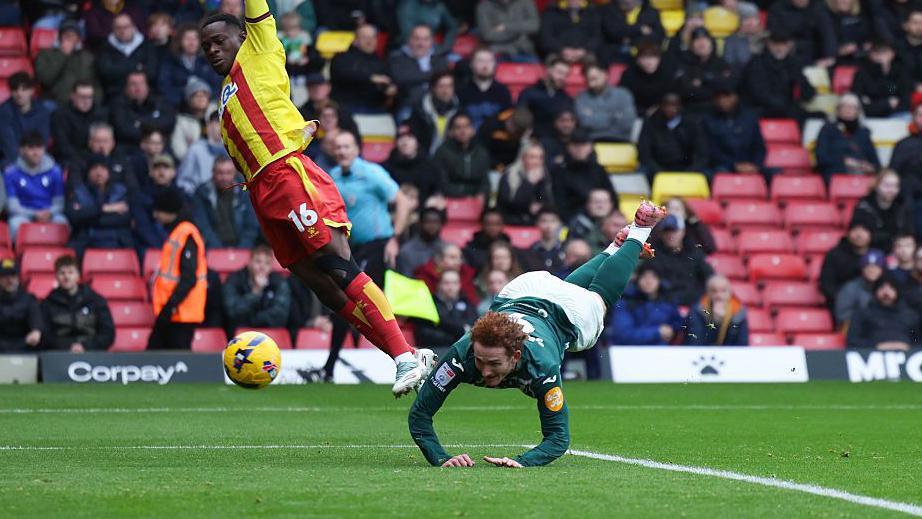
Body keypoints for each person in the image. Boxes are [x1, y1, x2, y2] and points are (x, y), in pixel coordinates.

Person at [200, 3, 435, 396]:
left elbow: (256, 8)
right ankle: (409, 354)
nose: (211, 50)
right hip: (261, 191)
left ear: (243, 37)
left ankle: (403, 358)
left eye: (218, 41)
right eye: (205, 45)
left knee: (339, 266)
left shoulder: (259, 52)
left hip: (288, 175)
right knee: (322, 287)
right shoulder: (225, 96)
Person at [407, 201, 665, 468]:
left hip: (552, 305)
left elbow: (558, 438)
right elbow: (419, 416)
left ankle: (638, 232)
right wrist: (441, 458)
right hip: (523, 290)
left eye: (494, 363)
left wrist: (523, 461)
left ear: (517, 354)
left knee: (596, 302)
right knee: (564, 292)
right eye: (481, 360)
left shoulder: (541, 367)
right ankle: (614, 249)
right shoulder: (462, 354)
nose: (484, 371)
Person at [148, 190, 206, 350]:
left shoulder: (185, 233)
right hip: (173, 312)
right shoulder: (178, 232)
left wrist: (170, 307)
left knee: (177, 362)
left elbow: (189, 278)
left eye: (158, 210)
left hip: (180, 313)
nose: (155, 215)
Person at [40, 254, 115, 352]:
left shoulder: (96, 301)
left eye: (70, 272)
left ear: (78, 275)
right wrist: (69, 347)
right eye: (62, 273)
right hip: (60, 355)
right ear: (56, 276)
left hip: (93, 353)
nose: (66, 277)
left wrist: (85, 347)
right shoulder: (47, 304)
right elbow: (45, 336)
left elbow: (108, 333)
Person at [741, 29, 816, 121]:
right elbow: (760, 95)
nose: (780, 48)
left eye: (784, 44)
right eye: (776, 44)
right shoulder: (757, 63)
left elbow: (809, 93)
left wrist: (800, 82)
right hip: (762, 110)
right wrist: (786, 106)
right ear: (768, 44)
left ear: (790, 45)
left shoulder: (793, 64)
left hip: (787, 110)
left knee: (818, 117)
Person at [4, 133, 67, 241]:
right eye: (31, 148)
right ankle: (19, 257)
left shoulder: (55, 171)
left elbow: (59, 203)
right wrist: (34, 214)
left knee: (62, 223)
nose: (36, 153)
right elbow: (12, 206)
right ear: (21, 150)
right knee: (14, 224)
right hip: (23, 215)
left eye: (39, 148)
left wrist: (49, 213)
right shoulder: (11, 173)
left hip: (50, 214)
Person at [66, 158, 134, 256]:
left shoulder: (121, 191)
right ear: (88, 172)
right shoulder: (78, 192)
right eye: (94, 169)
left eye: (103, 168)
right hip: (86, 242)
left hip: (118, 241)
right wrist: (106, 208)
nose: (99, 173)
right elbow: (74, 217)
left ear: (109, 172)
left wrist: (90, 217)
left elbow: (124, 218)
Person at [191, 156, 260, 249]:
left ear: (234, 173)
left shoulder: (244, 193)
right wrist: (220, 251)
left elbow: (251, 226)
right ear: (213, 173)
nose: (224, 177)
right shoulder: (202, 193)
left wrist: (241, 250)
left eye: (228, 173)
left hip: (242, 248)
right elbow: (203, 227)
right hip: (212, 248)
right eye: (220, 173)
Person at [637, 93, 709, 179]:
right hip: (658, 168)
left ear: (680, 106)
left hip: (686, 168)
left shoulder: (692, 124)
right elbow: (644, 155)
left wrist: (689, 172)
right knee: (642, 172)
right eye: (667, 105)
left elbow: (703, 155)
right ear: (661, 106)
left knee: (707, 174)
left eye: (674, 105)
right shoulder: (650, 124)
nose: (670, 109)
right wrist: (659, 172)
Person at [608, 263, 682, 345]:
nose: (648, 281)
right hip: (630, 352)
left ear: (660, 280)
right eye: (644, 277)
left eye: (654, 277)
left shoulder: (668, 301)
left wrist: (671, 332)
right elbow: (623, 335)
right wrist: (657, 332)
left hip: (662, 353)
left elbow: (678, 327)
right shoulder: (625, 302)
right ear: (637, 280)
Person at [550, 128, 616, 220]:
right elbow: (560, 202)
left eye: (583, 144)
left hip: (602, 218)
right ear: (568, 147)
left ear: (590, 147)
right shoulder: (560, 171)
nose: (580, 149)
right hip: (572, 219)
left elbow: (613, 198)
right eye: (576, 145)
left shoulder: (599, 170)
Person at [702, 84, 766, 177]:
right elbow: (712, 151)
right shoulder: (708, 121)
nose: (722, 100)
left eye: (726, 96)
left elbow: (759, 147)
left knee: (776, 173)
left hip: (751, 165)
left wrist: (755, 165)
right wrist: (734, 165)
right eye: (718, 97)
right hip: (724, 166)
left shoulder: (749, 118)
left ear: (735, 97)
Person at [330, 24, 396, 114]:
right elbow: (344, 73)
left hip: (375, 109)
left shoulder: (381, 62)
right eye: (365, 37)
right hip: (347, 107)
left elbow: (389, 81)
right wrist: (371, 78)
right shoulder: (342, 57)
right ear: (355, 40)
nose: (370, 41)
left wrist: (390, 90)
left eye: (373, 37)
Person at [387, 24, 451, 116]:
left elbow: (444, 78)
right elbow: (401, 78)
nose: (421, 44)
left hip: (438, 107)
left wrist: (418, 77)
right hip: (410, 107)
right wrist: (433, 76)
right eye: (417, 39)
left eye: (425, 39)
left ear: (431, 41)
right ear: (410, 40)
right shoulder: (397, 58)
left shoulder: (440, 59)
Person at [223, 244, 292, 328]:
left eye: (267, 263)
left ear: (271, 267)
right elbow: (233, 312)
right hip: (242, 333)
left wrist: (252, 320)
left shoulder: (279, 282)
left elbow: (280, 316)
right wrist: (256, 292)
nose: (262, 267)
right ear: (249, 263)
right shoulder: (235, 280)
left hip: (269, 332)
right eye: (258, 261)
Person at [651, 214, 714, 305]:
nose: (670, 235)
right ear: (661, 234)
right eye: (666, 231)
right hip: (665, 304)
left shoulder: (695, 252)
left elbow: (709, 276)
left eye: (674, 231)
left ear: (683, 232)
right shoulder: (653, 254)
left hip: (694, 304)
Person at [34, 20, 101, 107]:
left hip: (82, 102)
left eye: (73, 35)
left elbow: (96, 85)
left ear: (78, 38)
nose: (70, 39)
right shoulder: (45, 54)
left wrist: (95, 101)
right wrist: (63, 55)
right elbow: (45, 80)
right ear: (60, 38)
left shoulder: (88, 57)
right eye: (66, 35)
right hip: (55, 102)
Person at [815, 94, 879, 180]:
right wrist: (844, 162)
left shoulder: (864, 133)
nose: (849, 110)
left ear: (858, 111)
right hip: (835, 173)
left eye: (853, 107)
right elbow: (822, 157)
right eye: (845, 106)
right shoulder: (827, 129)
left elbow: (875, 162)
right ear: (838, 109)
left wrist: (869, 167)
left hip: (862, 175)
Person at [157, 23, 222, 108]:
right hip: (179, 108)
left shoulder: (209, 60)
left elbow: (218, 84)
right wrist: (187, 98)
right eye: (187, 38)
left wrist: (204, 97)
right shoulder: (170, 61)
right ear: (180, 41)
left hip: (209, 105)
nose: (191, 42)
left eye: (195, 38)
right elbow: (164, 87)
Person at [846, 275, 920, 349]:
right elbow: (852, 341)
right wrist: (876, 346)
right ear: (875, 292)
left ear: (897, 291)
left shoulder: (911, 315)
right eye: (882, 288)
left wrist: (908, 347)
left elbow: (918, 341)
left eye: (891, 288)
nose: (886, 293)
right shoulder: (862, 314)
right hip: (871, 356)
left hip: (909, 357)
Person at [96, 13, 158, 98]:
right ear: (113, 29)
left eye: (126, 27)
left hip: (145, 95)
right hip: (115, 94)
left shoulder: (146, 46)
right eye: (118, 28)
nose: (122, 31)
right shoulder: (105, 47)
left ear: (133, 27)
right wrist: (137, 67)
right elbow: (106, 72)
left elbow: (151, 72)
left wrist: (119, 68)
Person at [851, 169, 915, 252]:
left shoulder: (902, 206)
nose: (891, 190)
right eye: (887, 186)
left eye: (895, 186)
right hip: (869, 251)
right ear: (877, 186)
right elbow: (859, 235)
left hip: (897, 252)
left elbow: (908, 232)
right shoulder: (864, 206)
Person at [110, 71, 177, 149]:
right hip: (130, 148)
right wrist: (152, 127)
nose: (138, 88)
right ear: (126, 88)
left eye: (141, 83)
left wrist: (140, 124)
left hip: (161, 147)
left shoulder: (159, 102)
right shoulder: (118, 105)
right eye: (133, 84)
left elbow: (169, 122)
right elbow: (123, 130)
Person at [675, 28, 735, 113]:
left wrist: (703, 79)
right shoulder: (684, 63)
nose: (702, 43)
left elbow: (727, 87)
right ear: (691, 45)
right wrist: (714, 83)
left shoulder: (721, 63)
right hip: (691, 109)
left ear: (711, 43)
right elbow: (687, 91)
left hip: (717, 110)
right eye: (697, 40)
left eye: (705, 40)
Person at [432, 113, 491, 199]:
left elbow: (484, 182)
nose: (462, 131)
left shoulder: (481, 153)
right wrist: (463, 197)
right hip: (449, 198)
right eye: (458, 127)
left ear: (473, 130)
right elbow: (441, 183)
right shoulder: (442, 152)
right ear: (451, 132)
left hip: (475, 200)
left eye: (466, 127)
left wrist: (481, 195)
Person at [414, 270, 479, 349]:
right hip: (434, 350)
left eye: (454, 283)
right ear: (439, 284)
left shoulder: (468, 303)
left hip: (460, 352)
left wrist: (441, 324)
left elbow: (473, 329)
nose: (450, 287)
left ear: (459, 285)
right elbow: (424, 333)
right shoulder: (429, 304)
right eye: (446, 283)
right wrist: (458, 331)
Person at [574, 61, 636, 143]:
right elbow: (584, 123)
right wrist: (613, 116)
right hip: (591, 144)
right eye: (587, 81)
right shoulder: (581, 97)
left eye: (594, 79)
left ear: (605, 75)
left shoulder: (623, 94)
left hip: (621, 142)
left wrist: (594, 116)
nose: (591, 84)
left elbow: (627, 124)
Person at [0, 73, 52, 167]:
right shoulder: (3, 112)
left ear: (32, 91)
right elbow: (9, 146)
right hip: (10, 160)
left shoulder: (42, 111)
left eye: (24, 89)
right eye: (15, 90)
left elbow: (42, 140)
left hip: (36, 158)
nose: (19, 94)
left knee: (50, 166)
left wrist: (33, 158)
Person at [50, 81, 108, 165]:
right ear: (72, 96)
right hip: (70, 159)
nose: (86, 101)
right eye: (82, 97)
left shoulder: (100, 114)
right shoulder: (60, 115)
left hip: (96, 159)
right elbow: (63, 146)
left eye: (89, 97)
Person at [819, 215, 874, 304]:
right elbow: (827, 284)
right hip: (841, 303)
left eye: (864, 230)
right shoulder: (834, 255)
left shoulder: (877, 255)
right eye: (855, 230)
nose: (859, 235)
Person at [496, 142, 553, 226]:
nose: (536, 161)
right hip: (511, 219)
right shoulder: (510, 174)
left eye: (540, 158)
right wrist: (529, 184)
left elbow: (544, 199)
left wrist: (540, 205)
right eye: (532, 157)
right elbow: (508, 201)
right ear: (523, 158)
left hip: (534, 221)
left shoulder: (544, 175)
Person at [851, 39, 911, 118]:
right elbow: (858, 99)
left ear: (892, 53)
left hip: (895, 113)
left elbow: (902, 97)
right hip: (869, 114)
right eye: (876, 52)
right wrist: (886, 103)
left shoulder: (899, 72)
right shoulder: (862, 73)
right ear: (870, 54)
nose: (880, 56)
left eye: (884, 52)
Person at [517, 55, 573, 138]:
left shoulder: (565, 97)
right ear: (549, 70)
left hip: (558, 141)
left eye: (566, 75)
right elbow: (520, 118)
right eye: (560, 72)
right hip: (534, 140)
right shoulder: (529, 93)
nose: (562, 77)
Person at [685, 274, 749, 346]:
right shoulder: (698, 311)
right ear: (708, 293)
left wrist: (725, 322)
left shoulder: (739, 312)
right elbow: (695, 342)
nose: (719, 295)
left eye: (723, 291)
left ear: (730, 292)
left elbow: (742, 345)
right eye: (714, 291)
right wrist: (714, 323)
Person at [766, 0, 835, 66]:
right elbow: (773, 33)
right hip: (785, 54)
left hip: (813, 56)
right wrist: (785, 44)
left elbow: (827, 34)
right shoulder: (778, 9)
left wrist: (830, 56)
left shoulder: (818, 7)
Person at [457, 48, 512, 130]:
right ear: (471, 64)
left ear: (495, 64)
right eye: (480, 61)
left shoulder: (503, 91)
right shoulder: (462, 91)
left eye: (489, 61)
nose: (485, 65)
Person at [406, 72, 460, 155]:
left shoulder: (459, 111)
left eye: (449, 86)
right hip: (426, 158)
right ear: (433, 88)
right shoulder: (420, 112)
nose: (446, 91)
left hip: (453, 157)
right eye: (441, 86)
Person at [620, 40, 679, 115]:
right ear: (637, 60)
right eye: (644, 57)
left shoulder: (667, 73)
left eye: (653, 57)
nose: (649, 62)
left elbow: (674, 97)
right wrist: (644, 111)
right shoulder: (628, 75)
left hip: (664, 114)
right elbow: (624, 101)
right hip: (636, 115)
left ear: (659, 59)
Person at [599, 0, 664, 65]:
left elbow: (656, 36)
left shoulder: (650, 12)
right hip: (615, 52)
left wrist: (629, 39)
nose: (628, 1)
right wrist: (639, 29)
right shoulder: (608, 10)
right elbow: (612, 32)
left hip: (642, 52)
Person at [177, 110, 226, 195]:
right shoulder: (196, 149)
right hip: (201, 200)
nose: (222, 127)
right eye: (218, 123)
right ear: (209, 126)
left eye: (225, 124)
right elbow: (183, 181)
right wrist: (196, 197)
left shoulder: (233, 151)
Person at [0, 258, 43, 353]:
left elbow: (36, 322)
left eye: (13, 275)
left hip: (24, 346)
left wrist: (36, 331)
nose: (9, 280)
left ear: (19, 278)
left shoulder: (29, 299)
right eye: (5, 276)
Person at [835, 249, 885, 326]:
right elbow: (843, 316)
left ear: (881, 270)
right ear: (862, 269)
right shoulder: (850, 288)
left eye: (876, 267)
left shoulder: (887, 287)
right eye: (868, 267)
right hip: (857, 329)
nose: (872, 270)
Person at [476, 0, 540, 59]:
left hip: (524, 48)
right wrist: (520, 30)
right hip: (497, 50)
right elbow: (487, 35)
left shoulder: (526, 1)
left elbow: (535, 25)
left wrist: (506, 26)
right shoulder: (484, 6)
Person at [398, 207, 446, 277]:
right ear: (420, 224)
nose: (432, 226)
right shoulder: (407, 250)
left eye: (436, 222)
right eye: (428, 222)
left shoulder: (447, 248)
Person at [568, 188, 616, 253]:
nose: (600, 206)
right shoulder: (577, 225)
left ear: (611, 205)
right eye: (596, 202)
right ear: (588, 204)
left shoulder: (620, 223)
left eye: (605, 202)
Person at [722, 3, 766, 72]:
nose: (751, 23)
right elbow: (729, 63)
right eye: (746, 19)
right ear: (739, 22)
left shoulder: (765, 38)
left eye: (754, 19)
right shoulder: (731, 40)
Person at [825, 0, 871, 65]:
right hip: (841, 62)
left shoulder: (863, 12)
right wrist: (839, 50)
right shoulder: (827, 16)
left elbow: (869, 38)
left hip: (865, 58)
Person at [527, 208, 566, 273]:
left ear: (560, 224)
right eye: (544, 221)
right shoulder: (530, 251)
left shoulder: (565, 249)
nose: (549, 226)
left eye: (553, 221)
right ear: (537, 223)